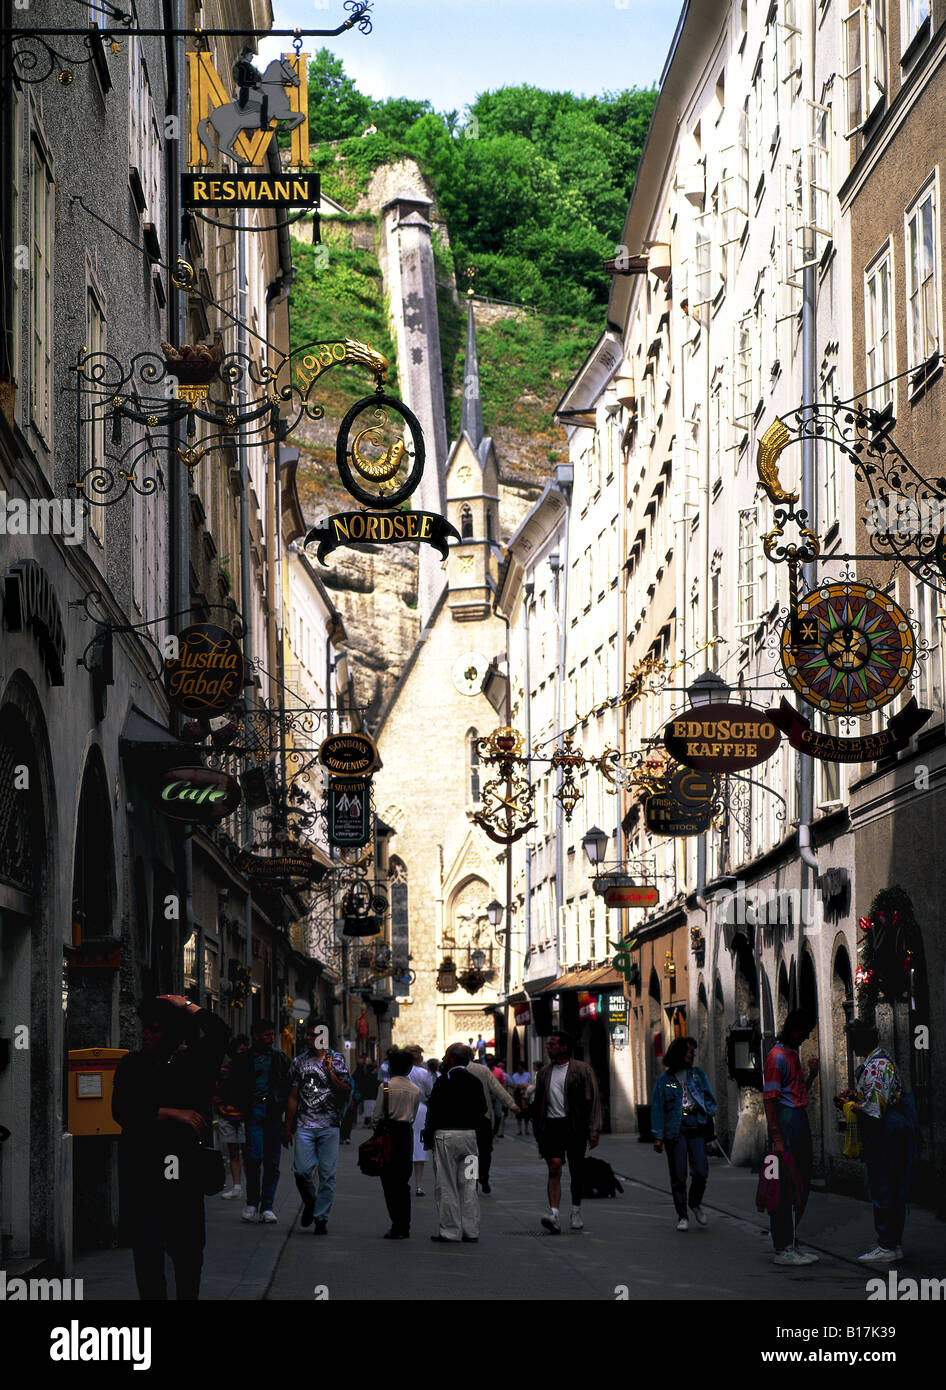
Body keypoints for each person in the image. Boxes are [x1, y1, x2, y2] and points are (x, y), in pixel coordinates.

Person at [112, 993, 229, 1300]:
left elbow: (220, 1033)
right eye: (145, 1027)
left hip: (184, 1174)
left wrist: (185, 1003)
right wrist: (172, 1112)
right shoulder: (133, 1064)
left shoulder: (194, 1063)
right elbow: (122, 1112)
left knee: (188, 1255)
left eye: (154, 1028)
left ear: (172, 1031)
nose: (145, 1034)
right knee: (148, 1255)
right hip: (144, 1173)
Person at [842, 1019, 920, 1263]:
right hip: (897, 1131)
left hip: (886, 1134)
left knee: (883, 1186)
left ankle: (886, 1244)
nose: (850, 1045)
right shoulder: (882, 1063)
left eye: (852, 1040)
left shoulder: (876, 1066)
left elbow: (873, 1109)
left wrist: (850, 1105)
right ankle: (893, 1244)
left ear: (861, 1041)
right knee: (894, 1189)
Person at [763, 1008, 820, 1266]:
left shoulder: (792, 1056)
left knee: (801, 1183)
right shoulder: (776, 1058)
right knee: (785, 1185)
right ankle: (783, 1246)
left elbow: (796, 1093)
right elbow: (771, 1100)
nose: (807, 1038)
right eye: (806, 1032)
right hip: (786, 1124)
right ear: (796, 1030)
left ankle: (791, 1241)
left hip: (797, 1119)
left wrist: (812, 1076)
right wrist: (776, 1137)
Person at [284, 1020, 351, 1235]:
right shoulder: (299, 1062)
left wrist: (330, 1073)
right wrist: (287, 1126)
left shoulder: (338, 1059)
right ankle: (311, 1202)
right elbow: (293, 1096)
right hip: (304, 1124)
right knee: (301, 1171)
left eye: (315, 1035)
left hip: (329, 1125)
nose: (310, 1039)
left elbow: (346, 1090)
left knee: (327, 1174)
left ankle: (321, 1218)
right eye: (309, 1035)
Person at [532, 1032, 601, 1234]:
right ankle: (554, 1214)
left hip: (574, 1126)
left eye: (552, 1044)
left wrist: (593, 1130)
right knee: (554, 1167)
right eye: (548, 1044)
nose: (548, 1047)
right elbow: (539, 1104)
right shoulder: (544, 1073)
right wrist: (538, 1129)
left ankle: (575, 1210)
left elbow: (593, 1100)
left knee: (576, 1170)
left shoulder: (582, 1070)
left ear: (563, 1047)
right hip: (552, 1127)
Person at [651, 1036, 717, 1231]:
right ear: (680, 1053)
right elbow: (658, 1107)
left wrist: (705, 1108)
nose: (692, 1055)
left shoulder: (697, 1075)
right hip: (675, 1129)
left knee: (701, 1170)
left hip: (695, 1126)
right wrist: (658, 1135)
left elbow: (710, 1100)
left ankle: (695, 1202)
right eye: (690, 1051)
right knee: (678, 1175)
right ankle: (682, 1215)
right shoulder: (666, 1080)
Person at [230, 1018, 290, 1224]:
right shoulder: (244, 1059)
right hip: (253, 1111)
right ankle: (252, 1203)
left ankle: (267, 1206)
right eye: (267, 1035)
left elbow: (289, 1085)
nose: (271, 1039)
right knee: (254, 1157)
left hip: (272, 1113)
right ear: (256, 1036)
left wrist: (284, 1111)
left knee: (272, 1161)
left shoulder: (279, 1058)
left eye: (272, 1035)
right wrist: (240, 1107)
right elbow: (232, 1084)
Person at [423, 1043, 483, 1243]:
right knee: (469, 1182)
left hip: (446, 1138)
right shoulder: (475, 1081)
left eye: (446, 1056)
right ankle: (471, 1229)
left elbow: (434, 1110)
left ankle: (450, 1230)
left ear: (453, 1059)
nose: (443, 1059)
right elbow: (482, 1109)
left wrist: (430, 1134)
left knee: (446, 1183)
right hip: (470, 1139)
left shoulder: (443, 1081)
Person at [375, 1049, 420, 1239]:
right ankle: (404, 1225)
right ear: (410, 1068)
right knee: (403, 1181)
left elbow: (376, 1115)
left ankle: (396, 1223)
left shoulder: (384, 1087)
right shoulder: (415, 1090)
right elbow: (414, 1115)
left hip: (387, 1133)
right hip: (405, 1134)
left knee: (388, 1181)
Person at [468, 1055, 517, 1194]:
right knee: (485, 1151)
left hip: (466, 1119)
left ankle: (472, 1181)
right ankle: (484, 1177)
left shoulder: (453, 1071)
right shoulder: (483, 1070)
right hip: (484, 1116)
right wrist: (512, 1104)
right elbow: (497, 1088)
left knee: (470, 1151)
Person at [213, 1033, 248, 1199]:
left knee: (247, 1153)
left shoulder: (250, 1071)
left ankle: (248, 1187)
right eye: (241, 1050)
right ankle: (237, 1186)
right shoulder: (225, 1071)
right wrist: (221, 1108)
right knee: (233, 1153)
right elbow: (216, 1091)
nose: (243, 1053)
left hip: (244, 1118)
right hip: (229, 1117)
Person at [406, 1045, 435, 1195]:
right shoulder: (424, 1073)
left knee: (404, 1144)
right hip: (420, 1109)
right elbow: (430, 1092)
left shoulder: (403, 1073)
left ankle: (404, 1182)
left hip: (403, 1107)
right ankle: (418, 1185)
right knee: (418, 1144)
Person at [511, 1063, 532, 1135]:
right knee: (518, 1112)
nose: (520, 1070)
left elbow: (530, 1084)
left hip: (525, 1093)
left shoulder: (527, 1074)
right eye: (518, 1069)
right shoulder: (514, 1076)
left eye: (521, 1068)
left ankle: (526, 1129)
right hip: (518, 1093)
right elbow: (513, 1085)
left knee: (526, 1112)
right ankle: (519, 1129)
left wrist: (523, 1085)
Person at [361, 1060, 380, 1125]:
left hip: (367, 1097)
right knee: (372, 1111)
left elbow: (363, 1087)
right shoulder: (376, 1077)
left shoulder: (365, 1077)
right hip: (374, 1096)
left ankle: (370, 1123)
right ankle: (371, 1123)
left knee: (368, 1111)